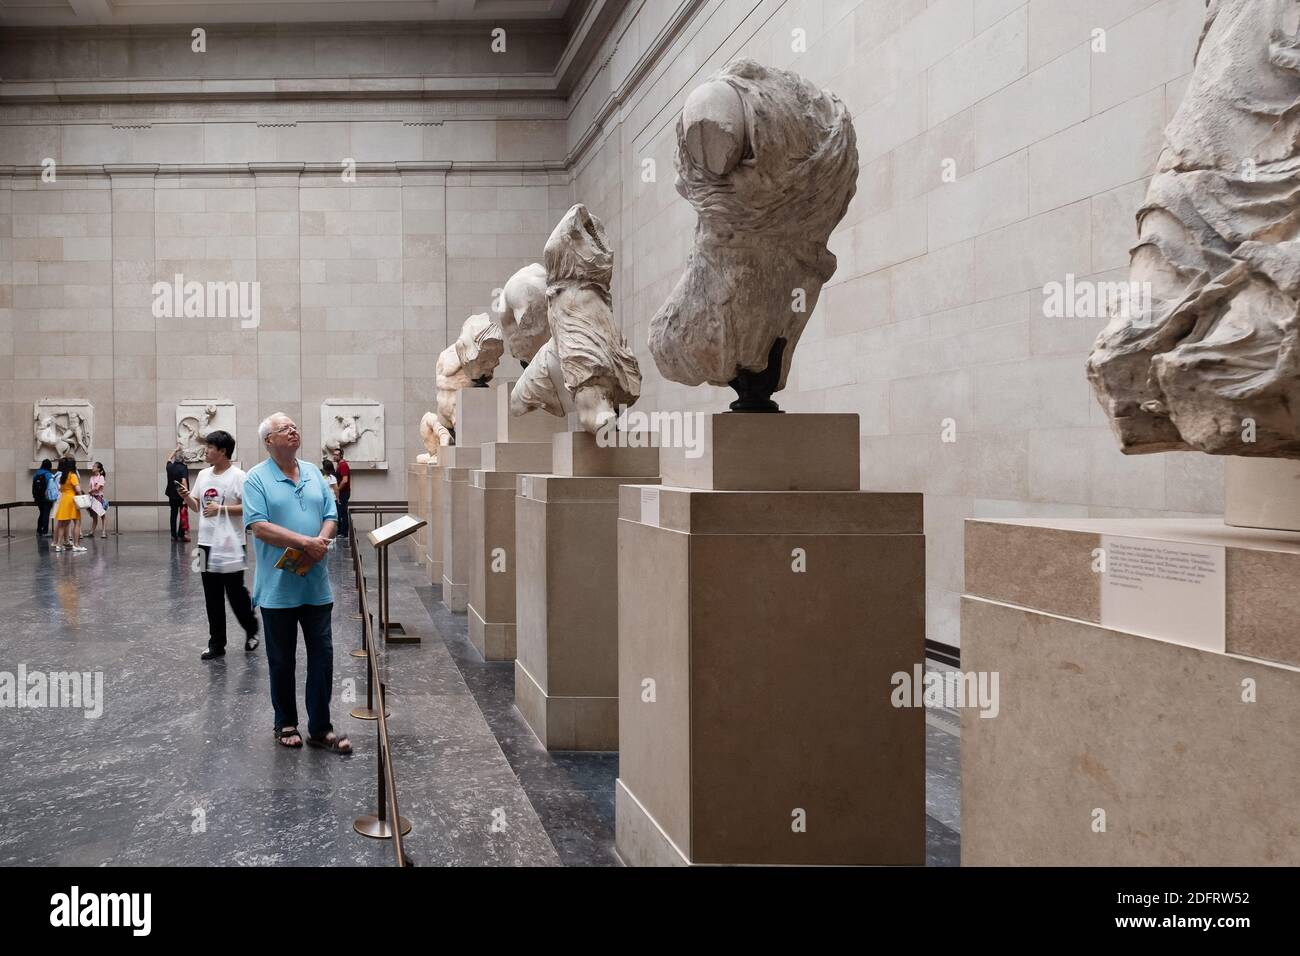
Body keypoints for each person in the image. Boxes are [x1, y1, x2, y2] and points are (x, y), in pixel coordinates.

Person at [243, 413, 350, 754]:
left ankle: (320, 727)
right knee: (281, 659)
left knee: (322, 657)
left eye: (294, 426)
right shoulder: (256, 479)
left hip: (316, 584)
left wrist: (320, 539)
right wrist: (306, 543)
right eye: (283, 429)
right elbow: (258, 526)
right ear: (268, 441)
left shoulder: (313, 473)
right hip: (278, 588)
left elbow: (332, 514)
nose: (293, 431)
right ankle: (285, 721)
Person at [179, 430, 260, 661]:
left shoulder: (239, 476)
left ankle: (251, 629)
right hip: (204, 544)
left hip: (232, 544)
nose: (206, 451)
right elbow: (197, 506)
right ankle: (216, 643)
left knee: (235, 593)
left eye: (210, 448)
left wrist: (221, 509)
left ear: (222, 451)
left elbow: (249, 508)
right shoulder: (203, 475)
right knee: (211, 594)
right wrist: (186, 496)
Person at [52, 458, 87, 554]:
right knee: (77, 522)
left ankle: (59, 545)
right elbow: (78, 488)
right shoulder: (72, 475)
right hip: (72, 500)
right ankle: (76, 545)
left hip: (64, 500)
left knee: (63, 524)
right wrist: (81, 496)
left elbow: (60, 489)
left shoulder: (63, 475)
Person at [165, 448, 190, 542]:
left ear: (175, 458)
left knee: (173, 514)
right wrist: (186, 495)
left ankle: (173, 535)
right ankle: (181, 534)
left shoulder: (169, 466)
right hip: (181, 495)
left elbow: (168, 458)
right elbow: (184, 481)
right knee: (183, 514)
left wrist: (175, 450)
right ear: (183, 459)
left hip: (171, 495)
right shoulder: (183, 468)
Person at [32, 459, 56, 538]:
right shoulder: (48, 474)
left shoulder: (36, 474)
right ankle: (45, 531)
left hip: (38, 498)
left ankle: (39, 530)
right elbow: (51, 487)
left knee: (41, 513)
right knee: (46, 513)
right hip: (46, 498)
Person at [332, 449, 352, 538]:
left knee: (343, 513)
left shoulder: (343, 465)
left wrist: (338, 490)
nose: (334, 456)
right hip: (342, 493)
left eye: (336, 455)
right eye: (334, 454)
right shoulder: (339, 465)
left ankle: (344, 533)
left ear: (341, 456)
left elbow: (345, 480)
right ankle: (341, 532)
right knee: (340, 512)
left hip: (343, 493)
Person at [88, 462, 109, 539]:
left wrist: (91, 491)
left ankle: (103, 532)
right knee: (94, 516)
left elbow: (97, 488)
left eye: (94, 466)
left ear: (98, 468)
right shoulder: (91, 477)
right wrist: (91, 491)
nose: (92, 467)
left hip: (99, 498)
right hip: (93, 498)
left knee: (102, 515)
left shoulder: (101, 477)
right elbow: (90, 488)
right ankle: (92, 532)